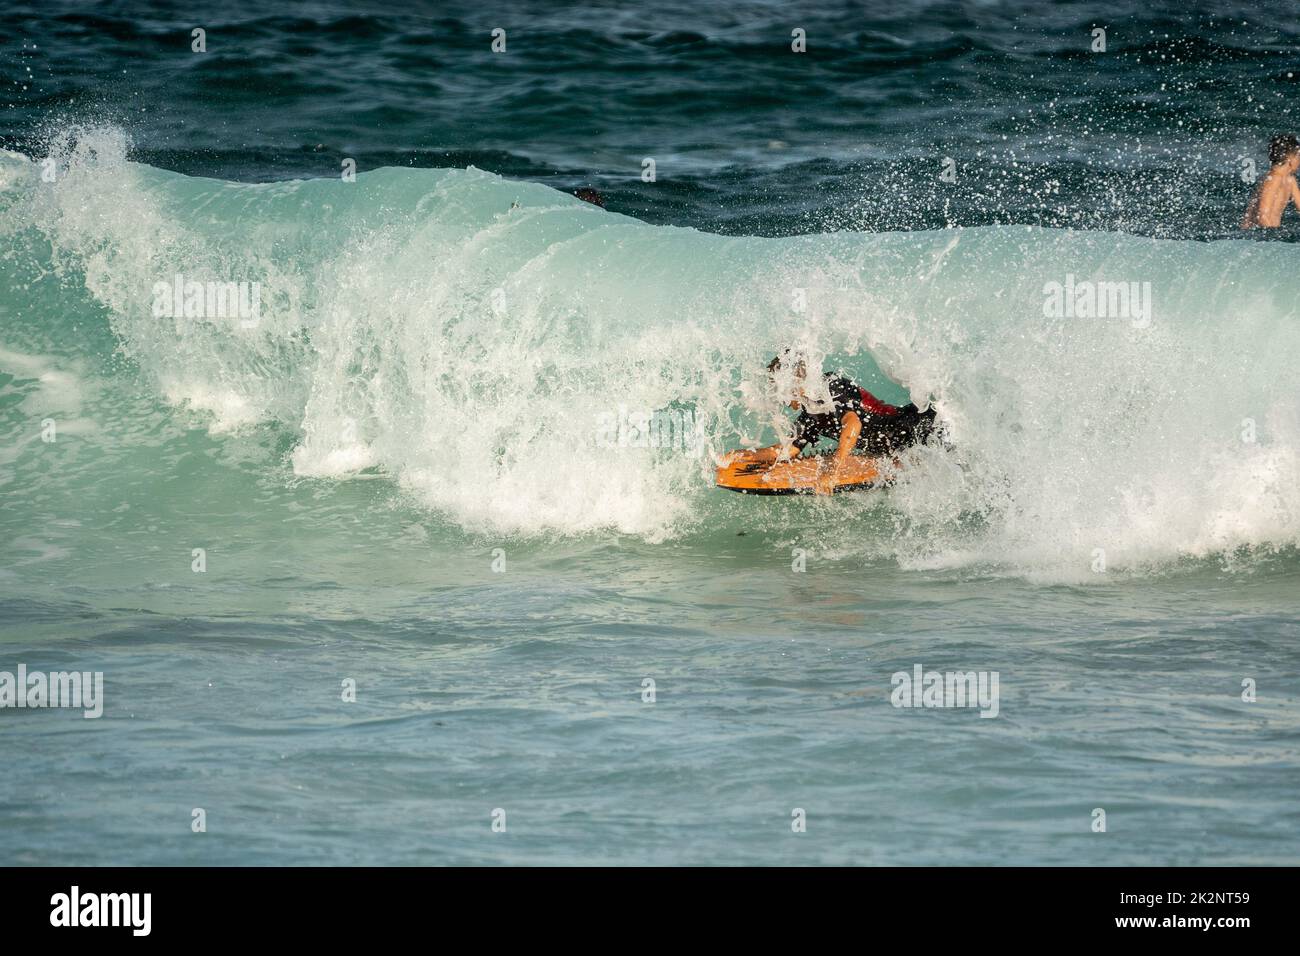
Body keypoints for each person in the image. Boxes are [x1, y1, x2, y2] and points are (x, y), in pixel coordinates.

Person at [727, 351, 938, 495]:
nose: (776, 394)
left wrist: (833, 469)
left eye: (777, 386)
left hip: (922, 428)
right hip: (897, 446)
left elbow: (853, 424)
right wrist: (739, 456)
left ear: (795, 382)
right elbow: (787, 450)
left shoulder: (831, 387)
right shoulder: (811, 412)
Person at [1241, 134, 1300, 229]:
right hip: (1255, 235)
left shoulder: (1290, 180)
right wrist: (1273, 237)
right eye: (1298, 155)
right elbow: (1263, 215)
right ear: (1290, 159)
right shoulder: (1273, 179)